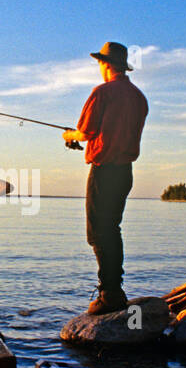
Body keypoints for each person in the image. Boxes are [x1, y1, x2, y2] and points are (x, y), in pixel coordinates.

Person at [62, 41, 148, 314]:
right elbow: (111, 132)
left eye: (100, 62)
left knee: (98, 233)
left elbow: (85, 132)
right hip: (124, 173)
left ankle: (110, 294)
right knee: (112, 229)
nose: (98, 67)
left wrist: (69, 136)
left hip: (104, 171)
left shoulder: (102, 92)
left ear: (106, 64)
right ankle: (114, 290)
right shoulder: (139, 97)